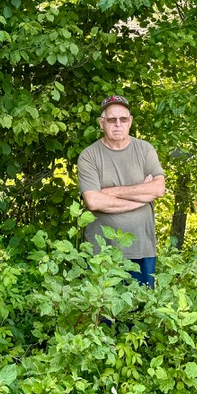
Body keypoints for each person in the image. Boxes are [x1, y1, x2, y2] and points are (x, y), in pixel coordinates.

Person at [77, 95, 166, 286]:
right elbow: (93, 201)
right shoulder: (89, 156)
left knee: (141, 311)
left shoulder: (145, 150)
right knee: (104, 313)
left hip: (142, 248)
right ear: (102, 123)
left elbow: (158, 188)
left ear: (130, 122)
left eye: (123, 119)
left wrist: (109, 192)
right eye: (111, 119)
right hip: (101, 252)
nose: (118, 124)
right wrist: (142, 196)